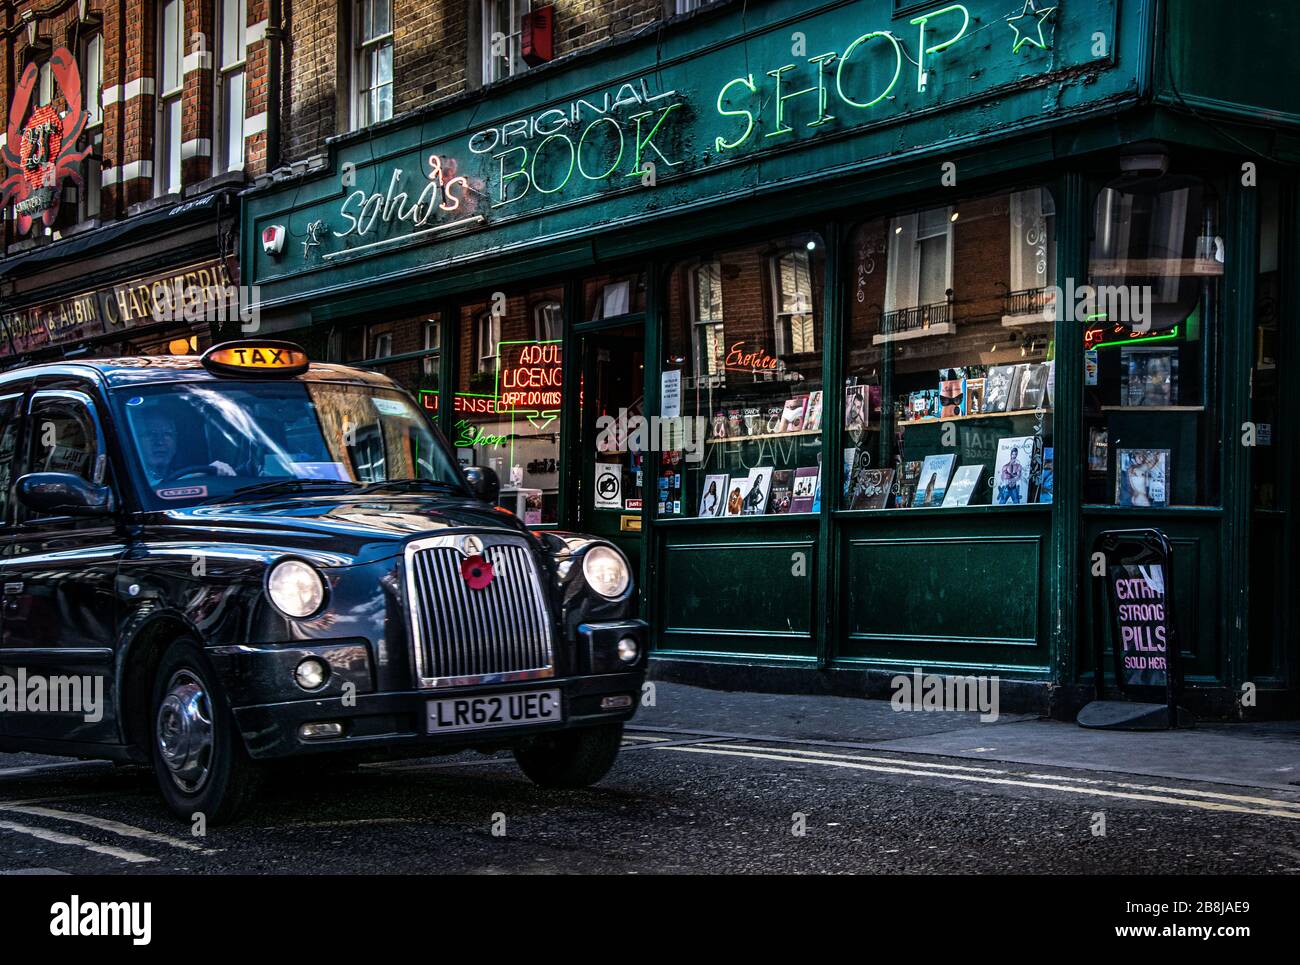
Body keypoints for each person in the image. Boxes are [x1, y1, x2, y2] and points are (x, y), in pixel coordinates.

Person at [136, 407, 236, 483]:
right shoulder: (132, 480)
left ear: (175, 441)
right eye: (150, 434)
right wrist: (202, 474)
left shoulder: (178, 472)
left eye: (167, 434)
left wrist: (219, 471)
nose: (159, 442)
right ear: (135, 440)